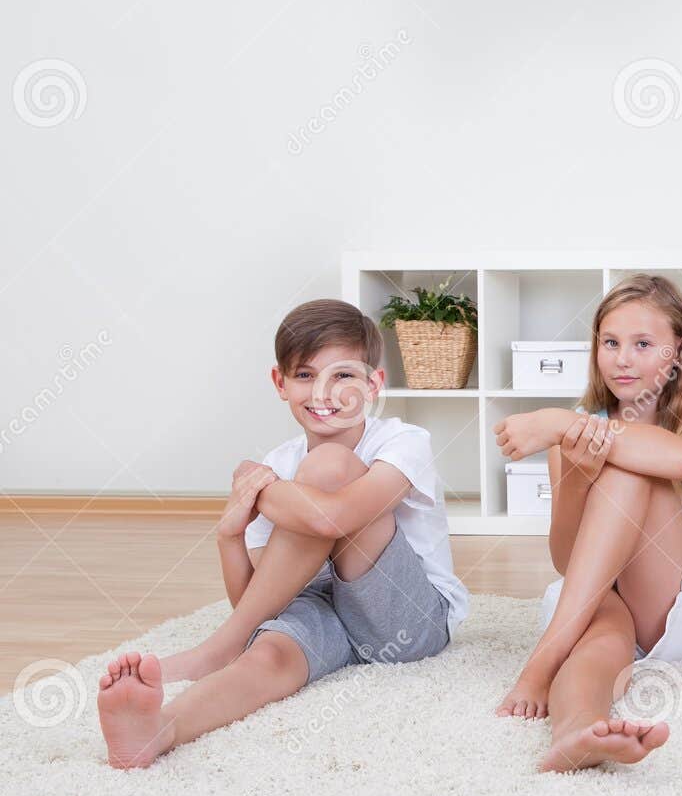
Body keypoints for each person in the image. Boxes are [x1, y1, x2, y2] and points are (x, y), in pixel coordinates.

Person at [97, 299, 465, 767]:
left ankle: (220, 647)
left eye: (344, 376)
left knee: (330, 465)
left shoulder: (402, 441)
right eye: (306, 375)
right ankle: (157, 731)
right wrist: (229, 538)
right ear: (281, 384)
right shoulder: (279, 463)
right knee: (267, 653)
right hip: (320, 606)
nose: (324, 393)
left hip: (404, 622)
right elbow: (257, 599)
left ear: (374, 384)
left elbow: (333, 518)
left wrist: (263, 488)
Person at [493, 274, 682, 772]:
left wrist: (558, 423)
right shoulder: (580, 431)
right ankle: (576, 732)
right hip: (596, 602)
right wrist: (576, 478)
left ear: (679, 350)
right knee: (599, 644)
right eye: (610, 343)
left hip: (674, 611)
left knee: (628, 467)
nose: (622, 359)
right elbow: (565, 557)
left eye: (643, 344)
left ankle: (540, 663)